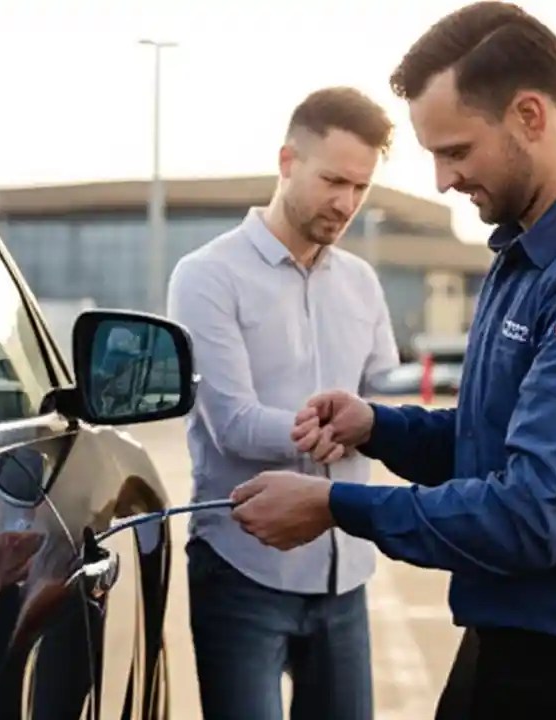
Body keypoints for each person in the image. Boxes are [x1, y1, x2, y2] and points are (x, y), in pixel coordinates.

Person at [229, 3, 556, 718]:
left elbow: (530, 512)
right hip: (506, 652)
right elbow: (491, 446)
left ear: (530, 116)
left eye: (456, 151)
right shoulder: (525, 255)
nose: (440, 180)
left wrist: (334, 505)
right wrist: (378, 426)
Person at [166, 86, 401, 719]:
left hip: (345, 571)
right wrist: (332, 427)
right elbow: (232, 423)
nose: (345, 203)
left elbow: (383, 397)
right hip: (244, 570)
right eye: (332, 180)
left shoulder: (361, 282)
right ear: (287, 161)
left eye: (360, 187)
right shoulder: (207, 275)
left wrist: (368, 422)